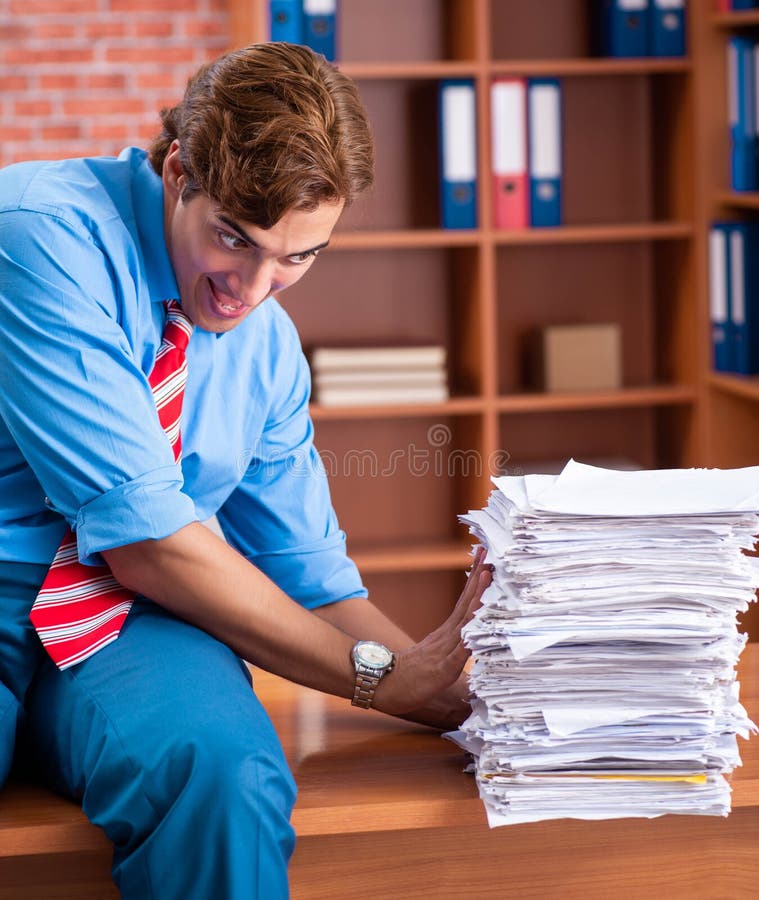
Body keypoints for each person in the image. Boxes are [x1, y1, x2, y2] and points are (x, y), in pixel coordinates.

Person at [0, 42, 491, 899]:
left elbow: (305, 575)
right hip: (50, 584)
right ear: (178, 170)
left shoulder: (262, 347)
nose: (252, 291)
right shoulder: (40, 237)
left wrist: (451, 688)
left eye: (298, 257)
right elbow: (148, 540)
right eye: (235, 238)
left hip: (126, 625)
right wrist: (376, 679)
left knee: (225, 772)